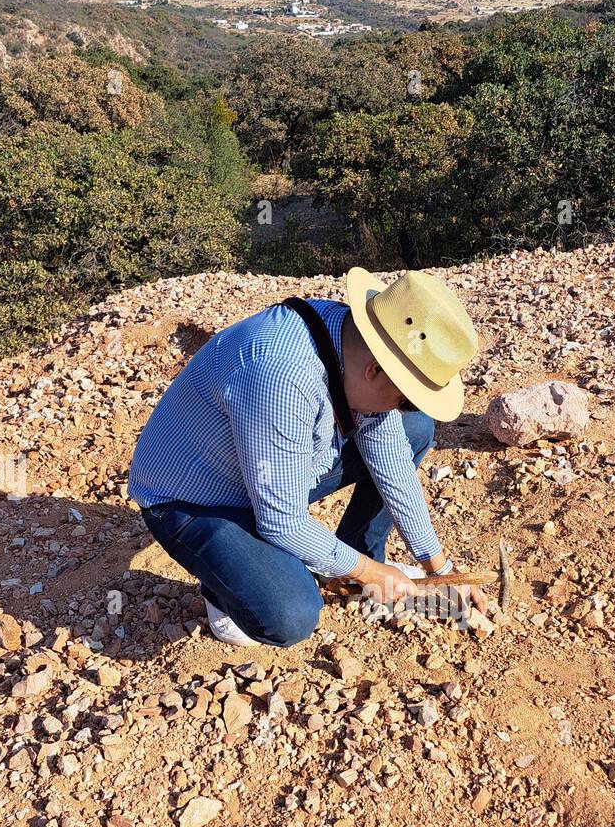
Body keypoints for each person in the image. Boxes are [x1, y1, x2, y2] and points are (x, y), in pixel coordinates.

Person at [127, 267, 486, 647]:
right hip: (195, 499)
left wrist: (440, 567)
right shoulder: (280, 376)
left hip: (261, 468)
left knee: (414, 431)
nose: (401, 409)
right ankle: (222, 593)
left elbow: (392, 460)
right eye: (404, 399)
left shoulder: (351, 339)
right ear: (375, 370)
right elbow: (281, 520)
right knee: (289, 614)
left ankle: (353, 561)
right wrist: (371, 573)